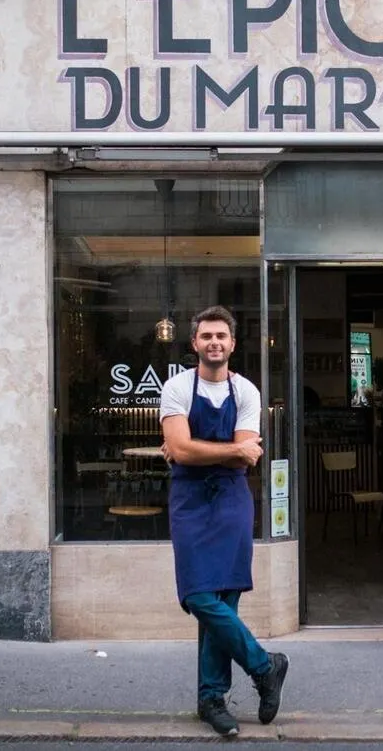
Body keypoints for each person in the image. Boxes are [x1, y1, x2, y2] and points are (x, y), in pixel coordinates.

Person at [159, 305, 289, 737]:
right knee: (198, 595)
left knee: (225, 600)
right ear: (194, 343)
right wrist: (232, 451)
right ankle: (264, 666)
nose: (214, 342)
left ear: (233, 344)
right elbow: (181, 451)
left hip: (232, 500)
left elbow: (232, 451)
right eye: (206, 336)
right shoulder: (176, 387)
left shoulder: (247, 392)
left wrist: (202, 449)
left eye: (222, 336)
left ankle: (211, 697)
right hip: (190, 499)